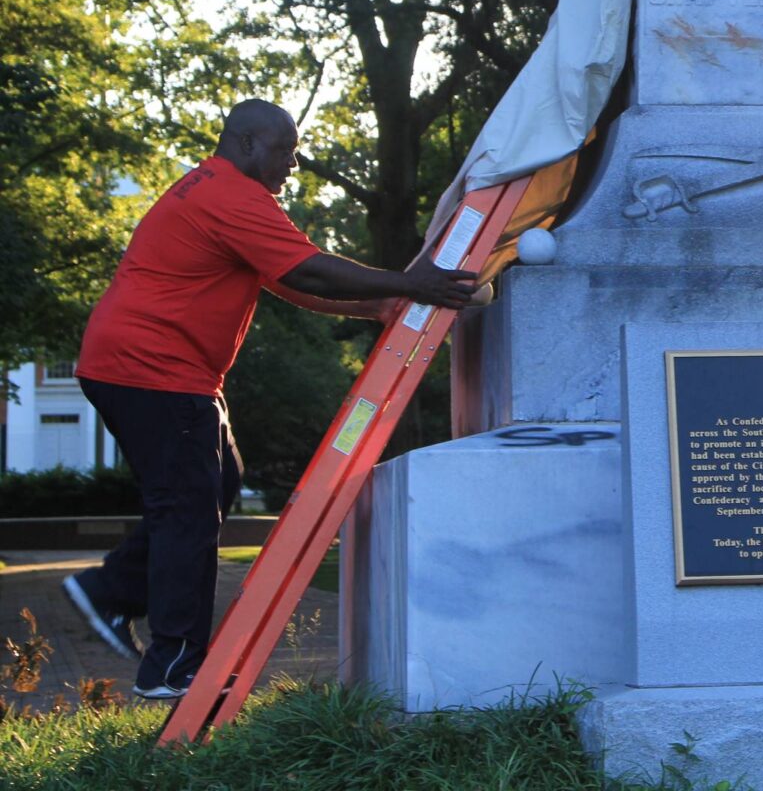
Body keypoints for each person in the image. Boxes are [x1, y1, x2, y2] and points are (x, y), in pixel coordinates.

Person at [63, 99, 480, 700]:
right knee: (187, 509)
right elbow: (309, 270)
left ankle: (109, 591)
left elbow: (287, 279)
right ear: (248, 143)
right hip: (153, 369)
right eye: (286, 149)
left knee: (218, 481)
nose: (294, 161)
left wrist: (376, 304)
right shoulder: (232, 196)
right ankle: (172, 665)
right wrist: (410, 283)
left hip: (150, 369)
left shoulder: (215, 191)